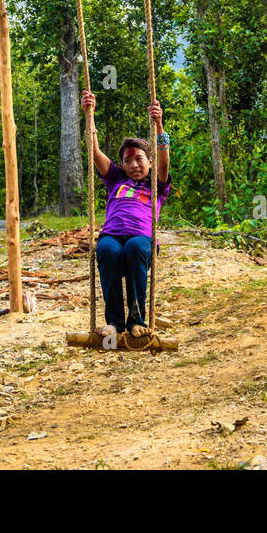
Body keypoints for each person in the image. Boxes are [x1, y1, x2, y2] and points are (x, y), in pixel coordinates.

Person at [80, 91, 171, 344]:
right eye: (127, 160)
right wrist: (90, 114)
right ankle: (114, 323)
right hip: (112, 237)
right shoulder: (116, 179)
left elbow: (164, 163)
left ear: (149, 163)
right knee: (106, 249)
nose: (133, 165)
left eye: (139, 159)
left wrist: (159, 124)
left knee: (134, 247)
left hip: (140, 241)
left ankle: (136, 321)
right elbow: (94, 151)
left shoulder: (155, 184)